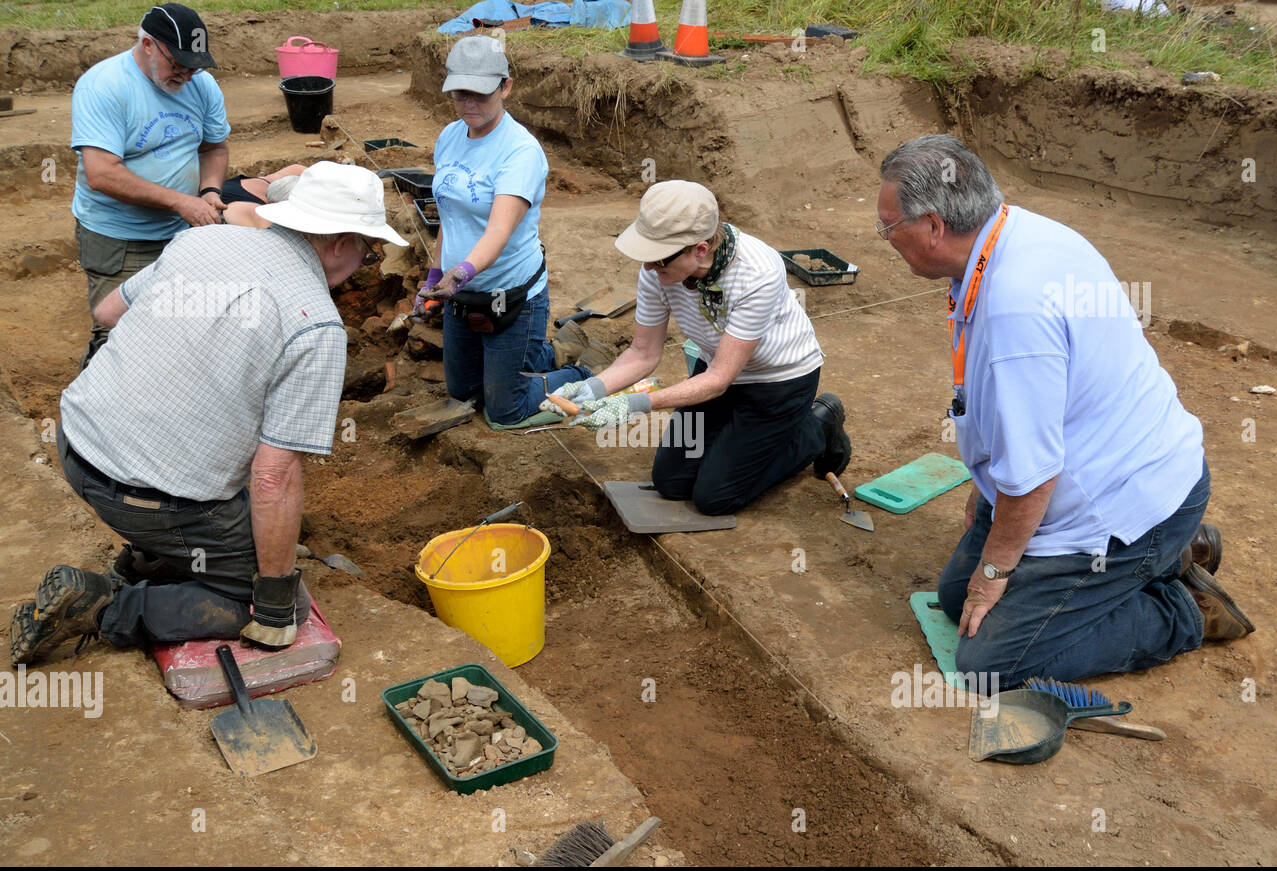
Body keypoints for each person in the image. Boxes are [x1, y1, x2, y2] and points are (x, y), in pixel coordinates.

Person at [873, 133, 1253, 688]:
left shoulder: (1015, 309)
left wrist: (996, 570)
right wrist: (984, 494)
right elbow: (1016, 419)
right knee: (957, 599)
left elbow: (1034, 476)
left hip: (1117, 505)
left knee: (990, 663)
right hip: (1095, 474)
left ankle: (1181, 609)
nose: (885, 238)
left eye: (889, 227)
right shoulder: (1013, 231)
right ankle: (1174, 552)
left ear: (933, 226)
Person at [10, 162, 408, 666]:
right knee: (271, 605)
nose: (365, 262)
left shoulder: (202, 241)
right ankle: (107, 605)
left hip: (76, 444)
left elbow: (107, 313)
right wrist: (275, 600)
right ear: (337, 242)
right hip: (144, 497)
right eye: (368, 250)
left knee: (215, 471)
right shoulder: (315, 326)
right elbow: (272, 480)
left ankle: (150, 557)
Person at [544, 180, 852, 516]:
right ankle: (742, 441)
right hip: (715, 373)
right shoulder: (659, 269)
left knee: (714, 497)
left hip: (777, 385)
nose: (648, 268)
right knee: (671, 482)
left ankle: (816, 426)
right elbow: (643, 353)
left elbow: (719, 379)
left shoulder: (757, 272)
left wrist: (632, 403)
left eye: (658, 259)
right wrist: (592, 387)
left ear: (700, 250)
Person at [415, 35, 612, 426]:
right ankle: (542, 351)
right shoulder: (449, 136)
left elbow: (498, 231)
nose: (469, 104)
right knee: (464, 394)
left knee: (505, 411)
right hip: (462, 295)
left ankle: (583, 372)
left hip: (510, 295)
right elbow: (450, 218)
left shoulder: (520, 152)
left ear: (506, 86)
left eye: (480, 94)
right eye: (460, 94)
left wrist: (461, 272)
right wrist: (435, 275)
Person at [70, 3, 231, 367]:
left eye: (194, 65)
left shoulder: (201, 85)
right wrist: (179, 202)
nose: (187, 75)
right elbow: (101, 173)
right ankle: (88, 417)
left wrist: (209, 191)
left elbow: (214, 146)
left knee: (178, 328)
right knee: (118, 335)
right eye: (178, 64)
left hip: (181, 233)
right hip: (120, 239)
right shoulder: (104, 86)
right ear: (147, 45)